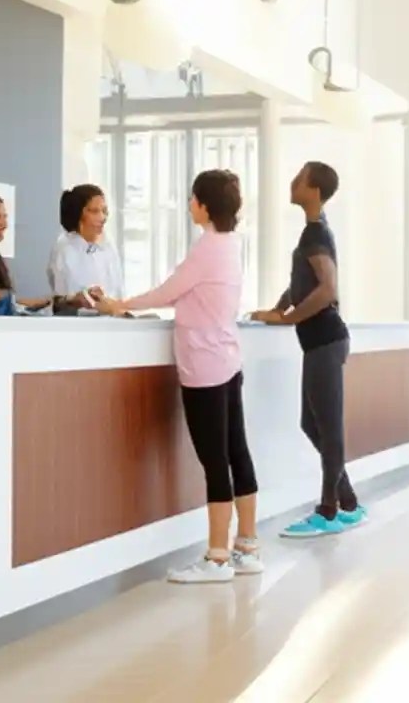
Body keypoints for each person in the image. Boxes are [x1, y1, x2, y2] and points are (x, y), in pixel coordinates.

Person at [96, 170, 262, 584]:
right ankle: (247, 547)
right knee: (236, 451)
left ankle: (217, 558)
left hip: (204, 369)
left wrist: (120, 305)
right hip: (227, 361)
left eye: (193, 198)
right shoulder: (231, 244)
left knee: (215, 460)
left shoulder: (207, 247)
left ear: (204, 205)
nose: (189, 204)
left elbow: (168, 292)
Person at [251, 161, 367, 537]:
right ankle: (348, 501)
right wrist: (278, 309)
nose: (292, 182)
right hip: (318, 342)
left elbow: (327, 288)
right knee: (311, 424)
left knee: (329, 429)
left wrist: (287, 319)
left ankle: (328, 511)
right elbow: (302, 283)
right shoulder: (314, 231)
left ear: (314, 190)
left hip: (326, 340)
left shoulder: (316, 232)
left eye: (299, 179)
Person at [50, 184, 123, 312]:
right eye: (94, 211)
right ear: (78, 213)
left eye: (104, 211)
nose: (103, 218)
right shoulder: (65, 249)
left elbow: (118, 291)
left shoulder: (108, 244)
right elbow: (67, 298)